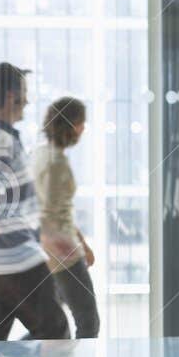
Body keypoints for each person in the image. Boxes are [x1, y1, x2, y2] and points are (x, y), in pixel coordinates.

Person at [0, 61, 70, 341]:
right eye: (24, 91)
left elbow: (17, 206)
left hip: (5, 263)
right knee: (56, 336)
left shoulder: (5, 139)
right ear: (12, 96)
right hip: (18, 262)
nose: (28, 99)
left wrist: (46, 236)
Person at [34, 95, 100, 340]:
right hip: (63, 254)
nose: (83, 129)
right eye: (82, 123)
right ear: (71, 125)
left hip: (51, 252)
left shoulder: (40, 155)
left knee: (52, 326)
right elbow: (50, 215)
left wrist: (83, 244)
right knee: (88, 321)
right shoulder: (55, 162)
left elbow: (58, 211)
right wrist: (75, 251)